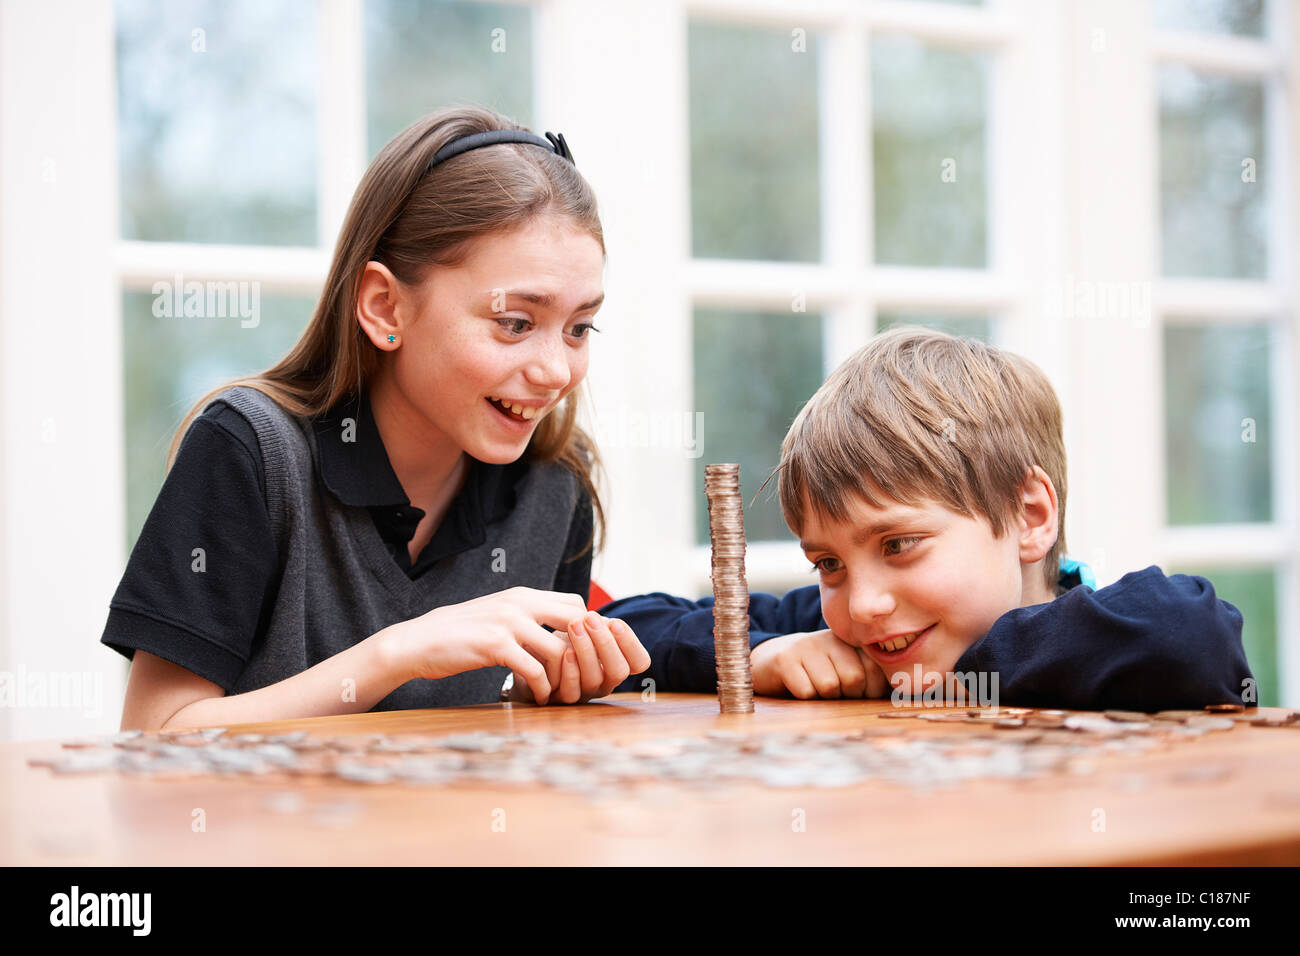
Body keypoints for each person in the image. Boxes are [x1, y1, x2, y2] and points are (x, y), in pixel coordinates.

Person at [103, 106, 650, 732]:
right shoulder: (247, 451)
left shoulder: (553, 489)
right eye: (515, 323)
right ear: (385, 306)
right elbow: (154, 735)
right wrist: (397, 653)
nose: (556, 371)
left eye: (579, 327)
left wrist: (542, 701)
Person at [604, 327, 1254, 711]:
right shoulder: (868, 630)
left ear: (1030, 516)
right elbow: (624, 628)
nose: (862, 603)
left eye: (900, 544)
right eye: (828, 563)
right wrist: (764, 654)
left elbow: (1194, 636)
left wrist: (956, 676)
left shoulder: (1120, 636)